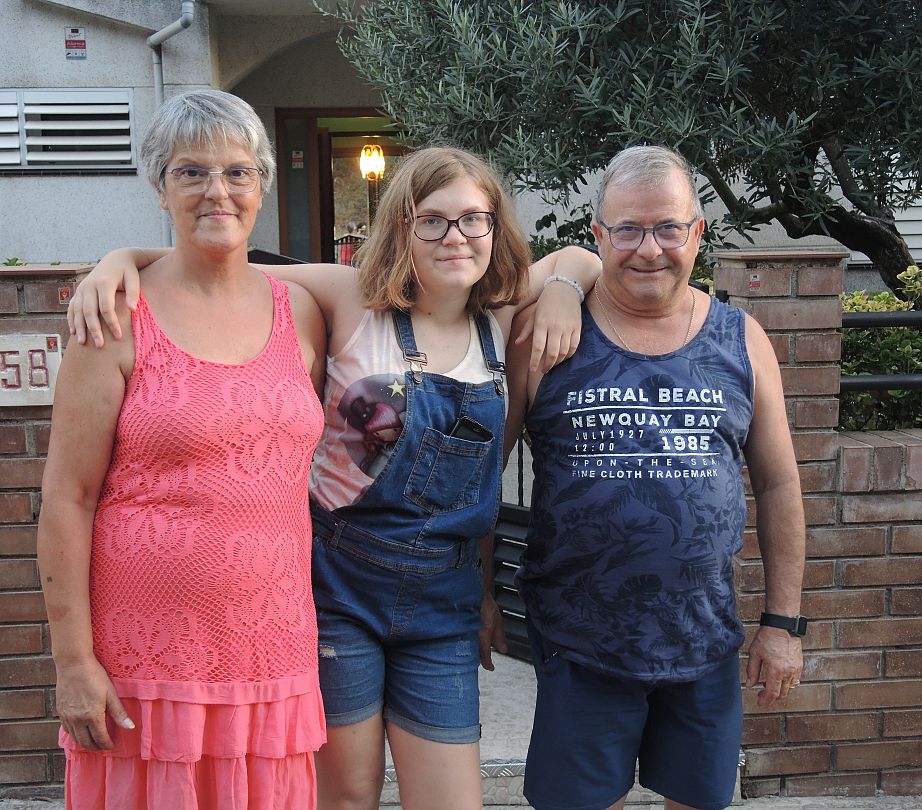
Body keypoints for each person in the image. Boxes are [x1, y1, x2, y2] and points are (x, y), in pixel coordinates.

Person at [68, 145, 602, 810]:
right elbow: (230, 258)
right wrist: (120, 260)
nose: (455, 236)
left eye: (473, 219)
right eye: (430, 220)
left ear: (495, 228)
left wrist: (564, 289)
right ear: (401, 228)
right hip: (338, 597)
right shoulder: (352, 299)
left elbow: (580, 258)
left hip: (444, 607)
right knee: (346, 796)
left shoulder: (499, 324)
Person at [36, 89, 329, 809]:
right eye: (191, 172)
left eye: (237, 172)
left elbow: (460, 286)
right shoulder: (115, 315)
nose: (217, 191)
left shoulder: (305, 310)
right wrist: (73, 661)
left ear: (262, 184)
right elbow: (65, 498)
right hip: (144, 669)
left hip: (272, 653)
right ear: (160, 186)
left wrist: (570, 278)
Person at [498, 145, 807, 810]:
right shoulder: (548, 335)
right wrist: (474, 589)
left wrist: (784, 623)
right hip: (580, 642)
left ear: (698, 232)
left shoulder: (740, 339)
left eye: (668, 228)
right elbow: (483, 469)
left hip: (702, 640)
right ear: (598, 236)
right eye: (628, 230)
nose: (649, 249)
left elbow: (779, 483)